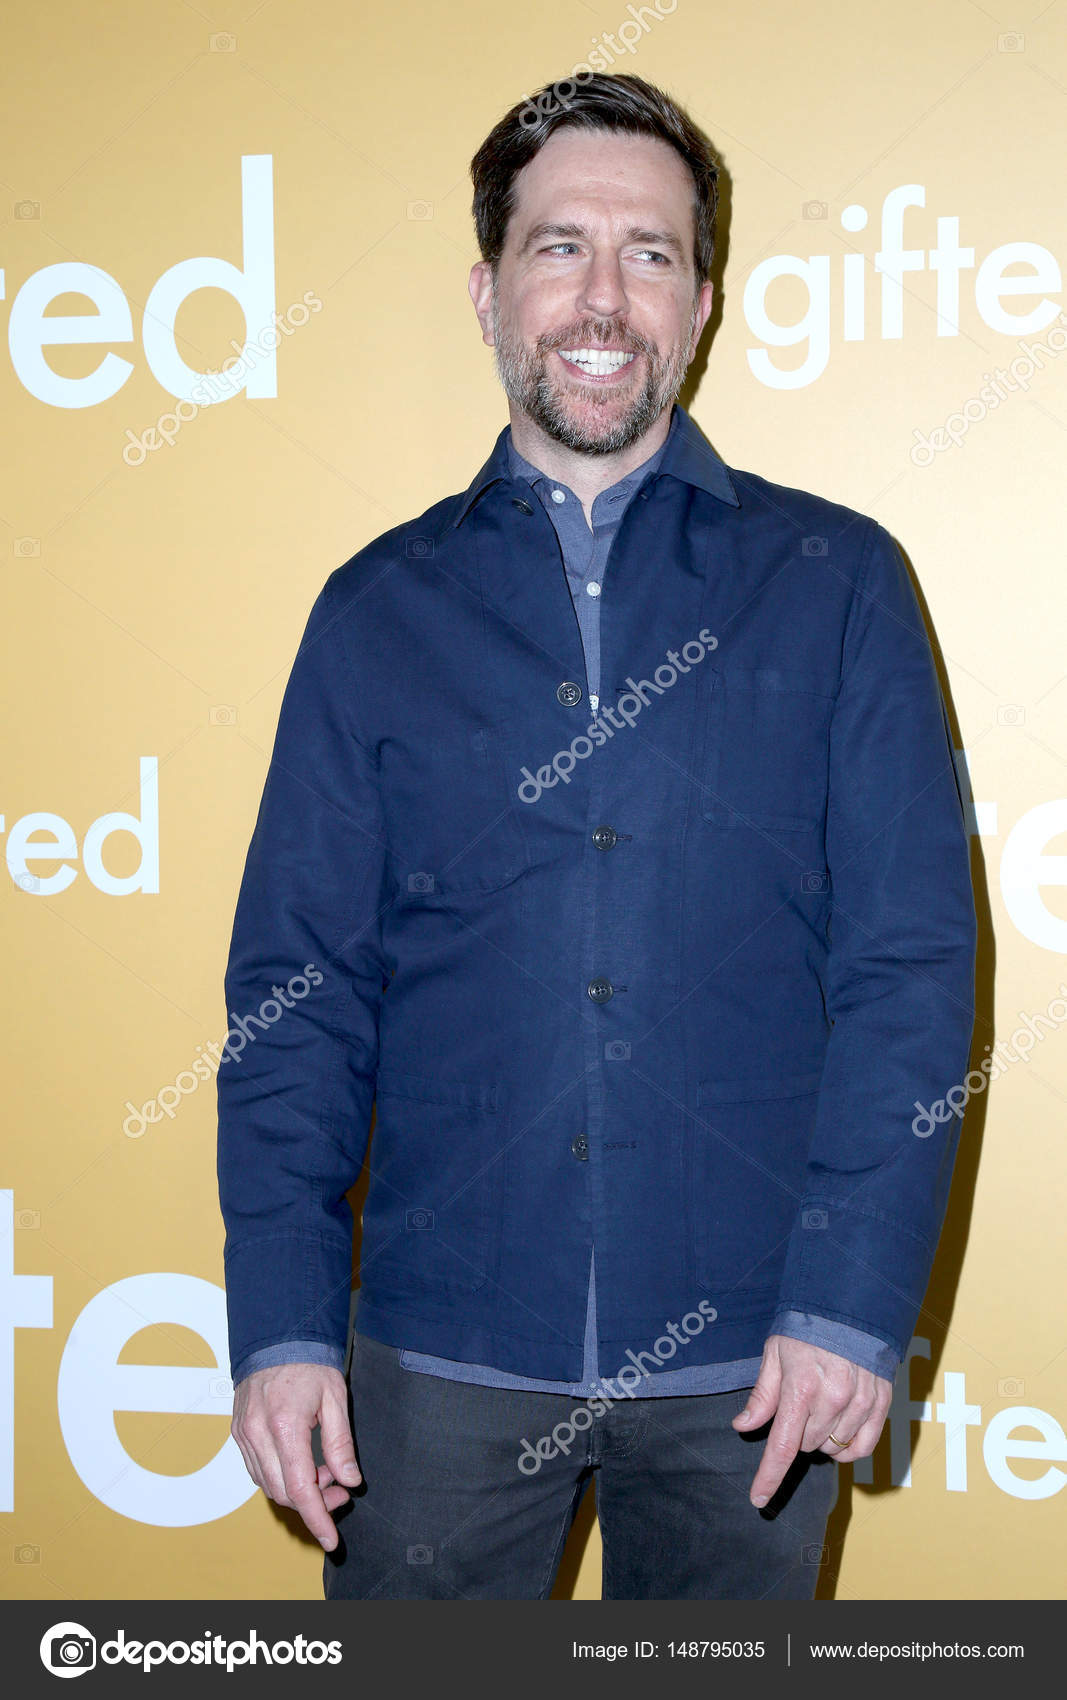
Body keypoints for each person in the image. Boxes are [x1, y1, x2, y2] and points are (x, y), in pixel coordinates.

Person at [217, 73, 976, 1600]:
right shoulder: (374, 613)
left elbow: (908, 970)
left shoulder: (839, 586)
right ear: (488, 292)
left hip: (754, 1371)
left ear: (702, 304)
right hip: (433, 1366)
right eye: (561, 247)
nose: (605, 299)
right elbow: (298, 997)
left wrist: (848, 1300)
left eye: (651, 254)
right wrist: (285, 1324)